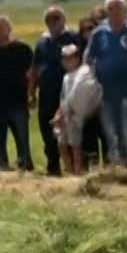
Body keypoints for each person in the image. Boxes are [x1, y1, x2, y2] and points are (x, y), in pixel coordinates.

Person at [85, 0, 127, 169]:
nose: (115, 12)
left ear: (125, 10)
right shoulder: (99, 33)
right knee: (112, 133)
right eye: (111, 9)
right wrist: (92, 80)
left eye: (119, 8)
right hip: (106, 93)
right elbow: (89, 58)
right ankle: (118, 168)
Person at [0, 16, 36, 172]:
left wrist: (31, 94)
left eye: (0, 29)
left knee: (22, 139)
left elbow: (32, 74)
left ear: (9, 30)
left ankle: (25, 167)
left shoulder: (23, 49)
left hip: (18, 103)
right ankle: (2, 169)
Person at [33, 6, 84, 178]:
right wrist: (31, 92)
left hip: (67, 91)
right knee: (47, 130)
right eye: (49, 19)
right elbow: (36, 68)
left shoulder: (73, 38)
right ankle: (53, 167)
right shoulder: (42, 42)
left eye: (56, 18)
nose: (53, 22)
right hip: (46, 93)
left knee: (69, 129)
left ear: (63, 19)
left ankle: (73, 168)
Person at [55, 44, 102, 179]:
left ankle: (77, 173)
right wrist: (58, 113)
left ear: (77, 58)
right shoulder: (66, 77)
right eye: (65, 58)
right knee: (61, 144)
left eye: (71, 57)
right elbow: (63, 97)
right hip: (64, 113)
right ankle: (69, 171)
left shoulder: (84, 74)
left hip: (75, 114)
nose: (68, 61)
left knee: (75, 145)